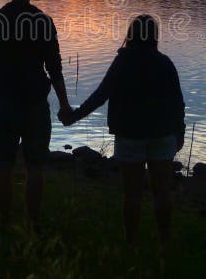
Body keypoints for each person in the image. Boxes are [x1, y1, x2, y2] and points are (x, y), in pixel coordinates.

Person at [62, 14, 185, 247]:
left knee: (132, 194)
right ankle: (164, 244)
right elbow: (178, 103)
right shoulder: (165, 63)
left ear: (131, 35)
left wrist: (74, 116)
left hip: (130, 135)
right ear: (154, 37)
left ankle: (131, 243)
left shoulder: (123, 61)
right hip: (162, 134)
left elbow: (101, 95)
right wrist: (180, 132)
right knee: (161, 192)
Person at [0, 0, 72, 231]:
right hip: (35, 104)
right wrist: (64, 104)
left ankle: (4, 223)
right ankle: (32, 225)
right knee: (35, 167)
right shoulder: (43, 21)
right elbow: (54, 67)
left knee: (4, 166)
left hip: (6, 101)